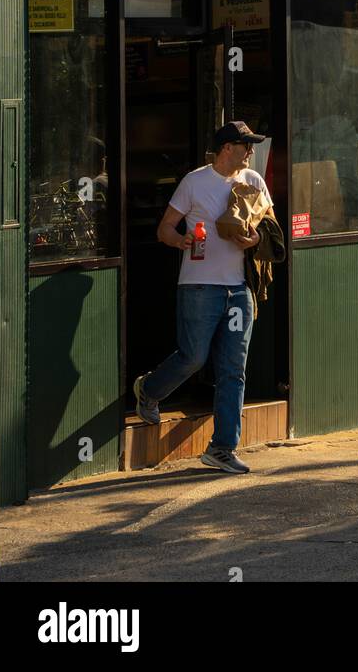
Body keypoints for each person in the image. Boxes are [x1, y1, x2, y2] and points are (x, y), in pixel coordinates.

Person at [133, 120, 271, 475]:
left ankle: (222, 448)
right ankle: (148, 389)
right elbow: (164, 228)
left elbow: (269, 226)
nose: (251, 151)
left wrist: (253, 240)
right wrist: (181, 241)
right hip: (198, 285)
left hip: (239, 287)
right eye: (246, 145)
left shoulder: (253, 181)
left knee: (233, 370)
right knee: (193, 357)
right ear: (227, 148)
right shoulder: (194, 182)